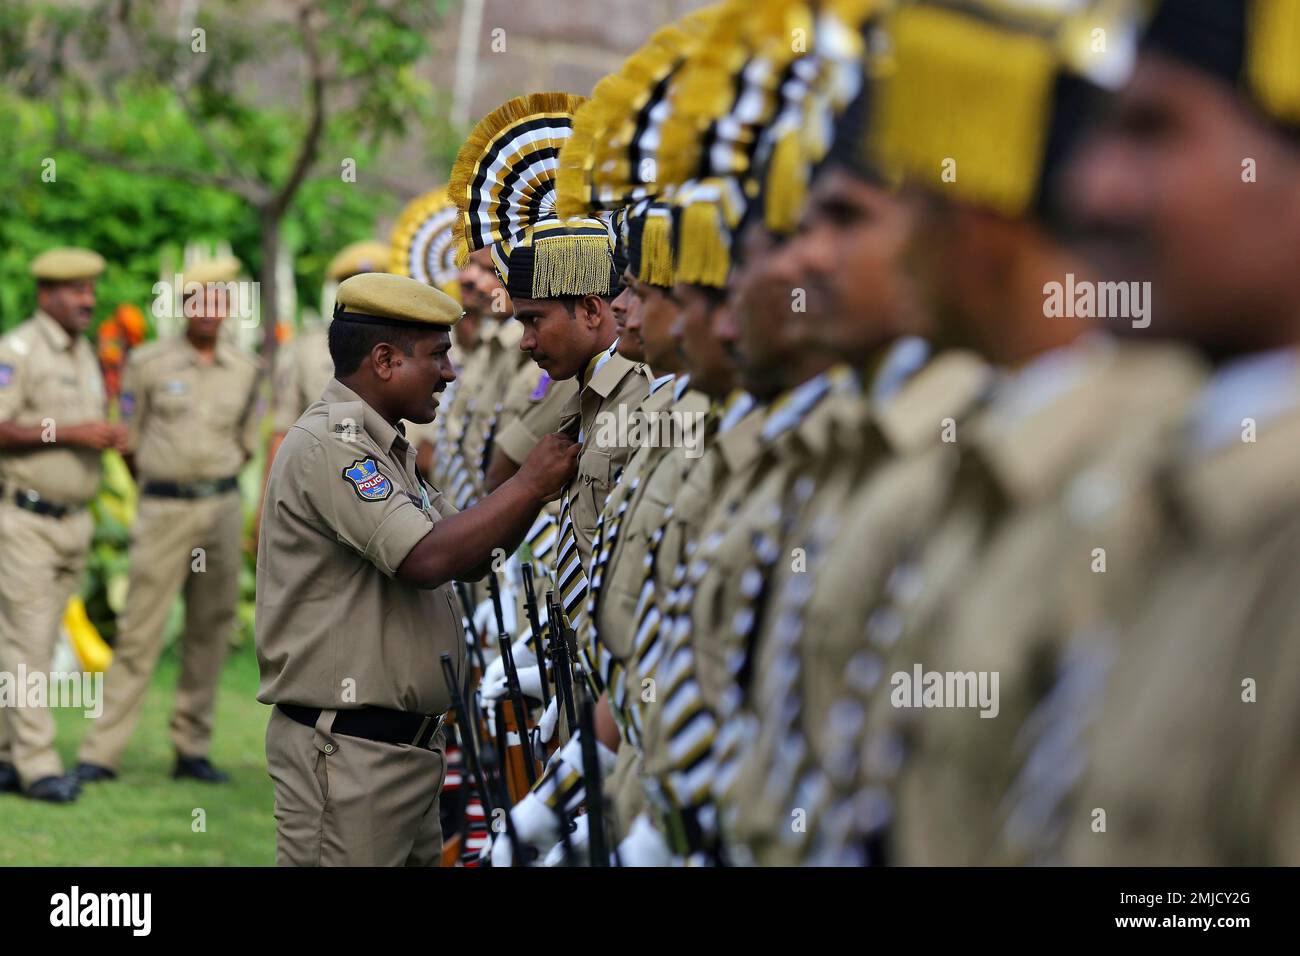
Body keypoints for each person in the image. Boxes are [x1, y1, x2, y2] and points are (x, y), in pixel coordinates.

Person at [256, 271, 578, 866]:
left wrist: (540, 486)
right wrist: (530, 481)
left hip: (398, 754)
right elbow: (427, 559)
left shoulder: (387, 447)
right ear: (383, 359)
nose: (449, 373)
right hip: (349, 756)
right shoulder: (336, 443)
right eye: (437, 356)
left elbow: (470, 548)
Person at [75, 257, 261, 784]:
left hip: (221, 509)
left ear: (228, 309)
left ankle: (191, 749)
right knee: (139, 631)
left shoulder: (246, 370)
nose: (208, 310)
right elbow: (129, 439)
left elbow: (247, 444)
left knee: (209, 631)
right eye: (198, 300)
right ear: (184, 307)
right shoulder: (150, 363)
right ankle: (100, 752)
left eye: (218, 300)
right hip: (161, 508)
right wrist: (163, 484)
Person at [0, 246, 123, 803]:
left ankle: (6, 755)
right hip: (26, 520)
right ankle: (38, 766)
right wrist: (66, 432)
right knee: (26, 646)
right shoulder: (19, 349)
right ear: (46, 294)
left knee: (36, 644)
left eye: (91, 290)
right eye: (76, 291)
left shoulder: (82, 353)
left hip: (72, 524)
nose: (87, 300)